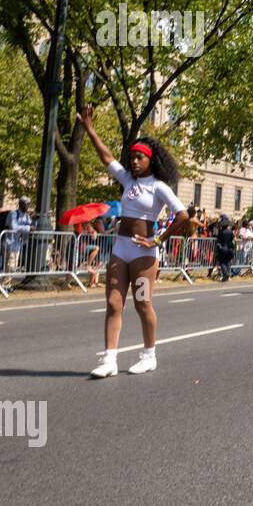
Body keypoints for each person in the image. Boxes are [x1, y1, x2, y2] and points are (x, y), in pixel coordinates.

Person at [77, 106, 188, 378]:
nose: (134, 161)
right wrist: (90, 129)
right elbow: (107, 157)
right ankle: (109, 360)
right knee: (114, 303)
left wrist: (158, 240)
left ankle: (149, 355)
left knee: (141, 303)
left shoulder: (159, 187)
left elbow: (183, 215)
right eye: (132, 157)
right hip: (120, 249)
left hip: (143, 255)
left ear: (151, 160)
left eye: (140, 158)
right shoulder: (127, 179)